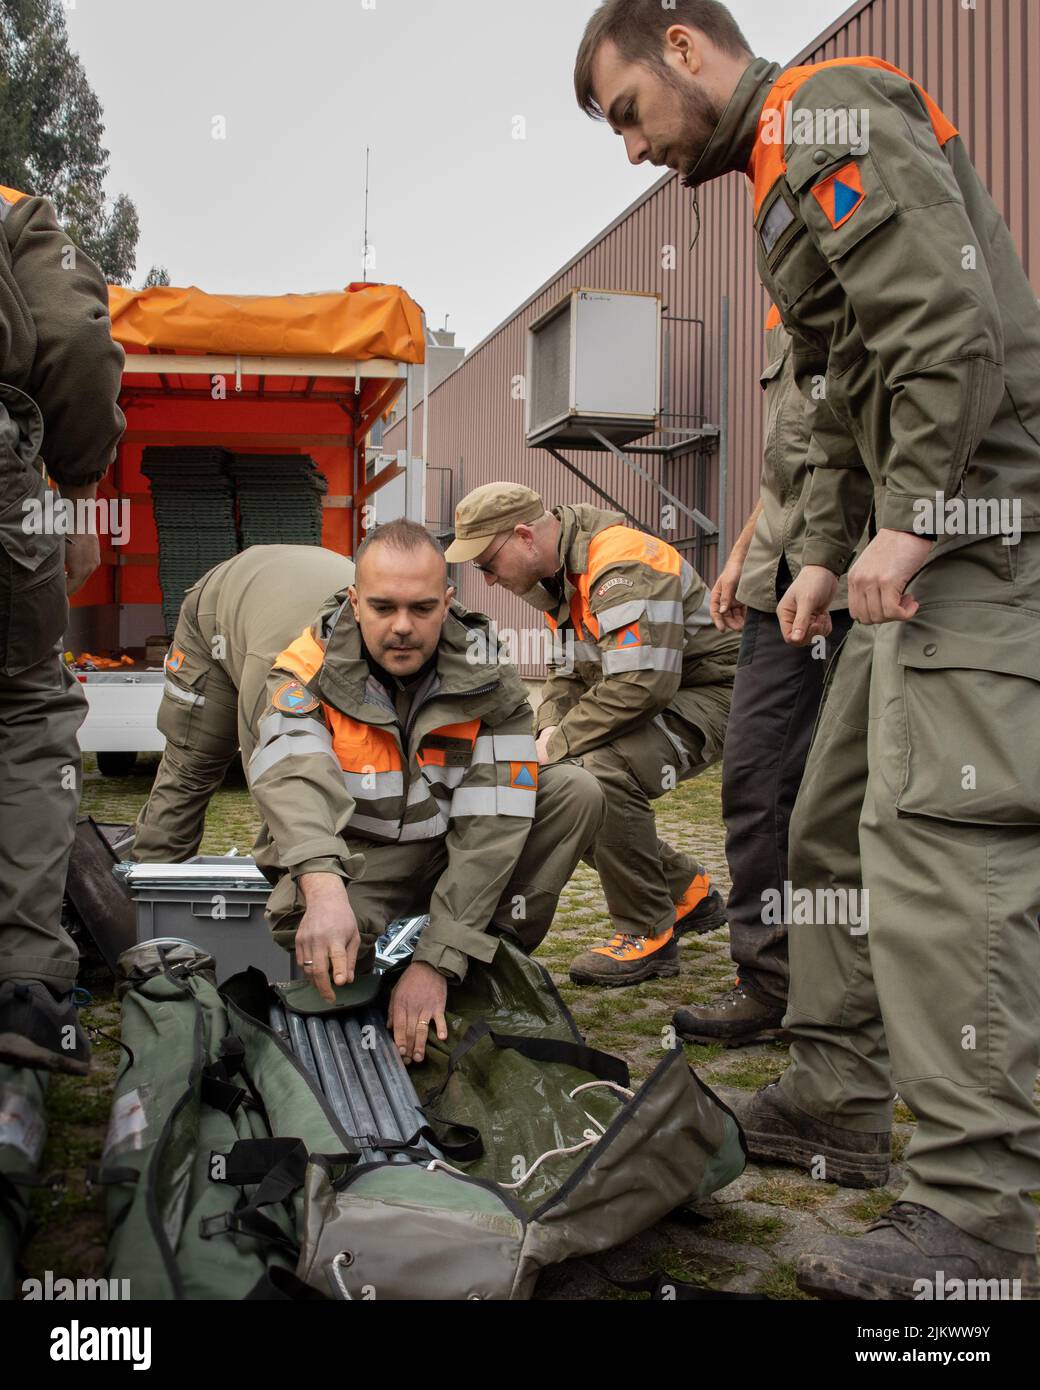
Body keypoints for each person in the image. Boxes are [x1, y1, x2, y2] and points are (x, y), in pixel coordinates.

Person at [574, 0, 1040, 1298]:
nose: (628, 151)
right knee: (829, 821)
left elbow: (951, 330)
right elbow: (842, 390)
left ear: (682, 48)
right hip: (913, 552)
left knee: (948, 845)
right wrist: (826, 547)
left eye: (624, 113)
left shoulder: (825, 114)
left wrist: (909, 523)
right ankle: (840, 1088)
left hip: (984, 541)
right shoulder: (782, 178)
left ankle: (983, 1215)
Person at [247, 518, 605, 1065]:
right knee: (314, 934)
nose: (402, 627)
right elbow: (292, 780)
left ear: (448, 602)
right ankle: (387, 965)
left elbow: (493, 822)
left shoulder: (487, 676)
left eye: (421, 608)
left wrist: (436, 961)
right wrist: (322, 889)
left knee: (573, 790)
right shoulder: (304, 670)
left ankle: (475, 960)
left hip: (449, 849)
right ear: (354, 601)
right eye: (383, 607)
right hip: (358, 862)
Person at [446, 484, 738, 988]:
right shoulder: (560, 577)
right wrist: (548, 731)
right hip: (661, 691)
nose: (489, 581)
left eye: (488, 564)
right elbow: (566, 675)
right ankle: (685, 891)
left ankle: (649, 932)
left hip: (717, 694)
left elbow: (643, 683)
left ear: (523, 536)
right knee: (565, 789)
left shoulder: (619, 566)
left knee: (594, 771)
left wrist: (559, 745)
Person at [672, 309, 857, 1046]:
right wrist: (743, 553)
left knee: (828, 800)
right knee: (756, 784)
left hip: (847, 583)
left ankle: (811, 987)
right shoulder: (791, 310)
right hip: (776, 583)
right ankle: (772, 980)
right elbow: (789, 468)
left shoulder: (863, 271)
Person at [0, 184, 125, 1076]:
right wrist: (76, 489)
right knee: (24, 712)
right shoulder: (10, 210)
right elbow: (77, 338)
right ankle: (23, 989)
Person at [131, 544, 355, 862]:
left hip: (289, 587)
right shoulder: (278, 671)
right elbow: (277, 785)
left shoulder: (392, 638)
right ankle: (151, 886)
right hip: (214, 616)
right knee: (192, 767)